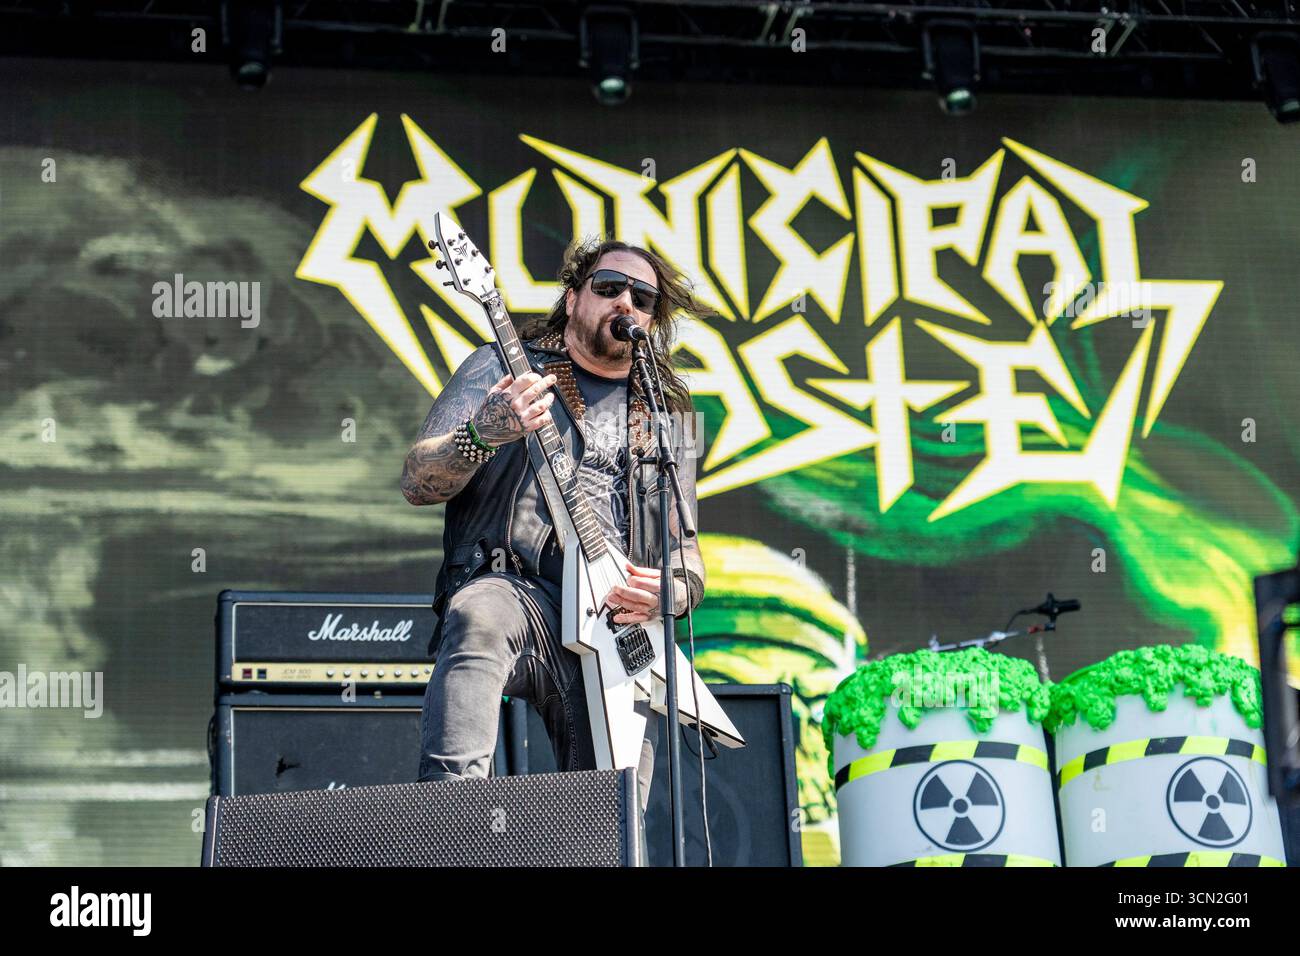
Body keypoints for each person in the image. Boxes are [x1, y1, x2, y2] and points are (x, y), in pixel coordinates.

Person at [401, 236, 710, 819]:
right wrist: (483, 433)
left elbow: (686, 549)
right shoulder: (501, 365)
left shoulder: (669, 413)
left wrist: (675, 589)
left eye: (642, 297)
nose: (626, 302)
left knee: (613, 816)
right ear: (572, 299)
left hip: (614, 623)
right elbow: (417, 480)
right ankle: (447, 823)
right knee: (479, 616)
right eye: (609, 287)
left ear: (652, 319)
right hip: (519, 589)